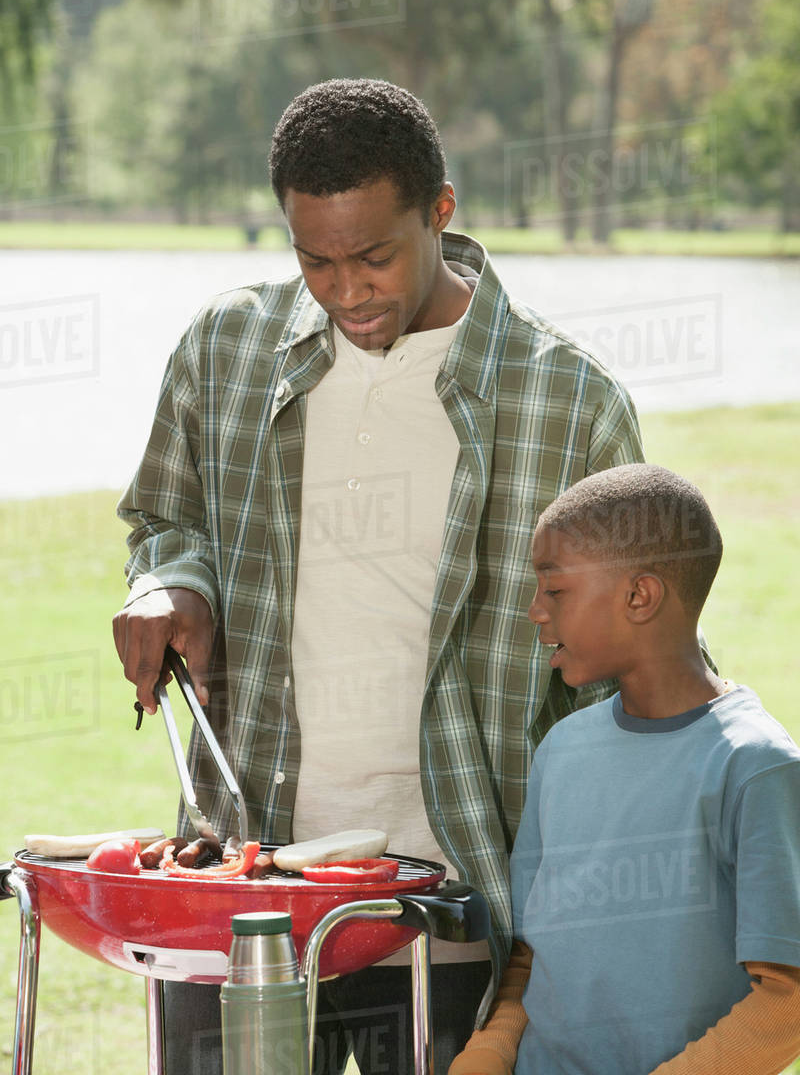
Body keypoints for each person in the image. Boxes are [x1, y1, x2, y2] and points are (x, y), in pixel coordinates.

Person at [112, 78, 644, 1074]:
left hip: (462, 906)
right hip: (252, 893)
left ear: (439, 211)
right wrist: (167, 585)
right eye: (315, 261)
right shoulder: (222, 350)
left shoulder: (567, 402)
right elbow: (164, 516)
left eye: (373, 256)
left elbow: (627, 667)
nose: (346, 290)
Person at [449, 463, 800, 1075]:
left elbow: (788, 999)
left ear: (640, 595)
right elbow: (534, 953)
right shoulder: (561, 749)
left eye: (554, 590)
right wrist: (491, 1049)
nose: (534, 612)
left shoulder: (753, 767)